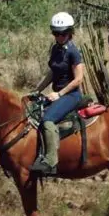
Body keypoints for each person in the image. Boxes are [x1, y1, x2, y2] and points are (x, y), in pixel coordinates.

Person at [29, 11, 86, 175]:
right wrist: (37, 90)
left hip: (72, 95)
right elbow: (52, 73)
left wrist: (59, 94)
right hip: (58, 93)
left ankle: (51, 162)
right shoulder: (56, 49)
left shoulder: (73, 52)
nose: (59, 36)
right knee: (32, 111)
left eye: (63, 33)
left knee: (47, 120)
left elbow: (79, 79)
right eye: (56, 33)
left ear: (70, 33)